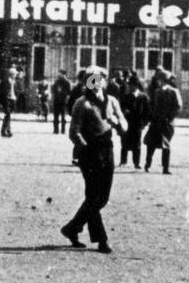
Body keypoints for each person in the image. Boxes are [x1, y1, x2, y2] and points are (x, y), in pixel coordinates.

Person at [61, 67, 126, 253]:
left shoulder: (112, 101)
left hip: (107, 150)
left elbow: (125, 127)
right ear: (86, 82)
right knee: (93, 197)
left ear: (104, 81)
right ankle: (102, 240)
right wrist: (85, 147)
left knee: (102, 198)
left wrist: (116, 122)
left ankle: (72, 228)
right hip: (89, 153)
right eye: (91, 79)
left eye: (99, 79)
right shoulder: (82, 103)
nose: (96, 83)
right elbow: (74, 131)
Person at [143, 70, 182, 174]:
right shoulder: (157, 92)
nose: (158, 82)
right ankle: (148, 163)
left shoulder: (173, 91)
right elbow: (151, 106)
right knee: (151, 144)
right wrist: (151, 117)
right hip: (156, 122)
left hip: (167, 123)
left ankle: (165, 168)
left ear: (164, 80)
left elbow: (178, 107)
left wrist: (170, 118)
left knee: (165, 145)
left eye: (160, 80)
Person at [117, 75, 148, 168]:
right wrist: (124, 112)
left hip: (138, 124)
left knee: (137, 144)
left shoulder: (143, 97)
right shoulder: (126, 96)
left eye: (133, 85)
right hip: (127, 123)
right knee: (124, 142)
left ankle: (136, 162)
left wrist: (144, 123)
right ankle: (123, 161)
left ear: (137, 86)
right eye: (130, 85)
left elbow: (147, 111)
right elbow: (120, 108)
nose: (131, 87)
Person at [50, 69, 72, 135]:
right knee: (55, 116)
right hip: (56, 101)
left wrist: (66, 100)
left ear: (63, 74)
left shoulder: (67, 82)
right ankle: (56, 129)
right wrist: (52, 99)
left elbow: (69, 93)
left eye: (60, 73)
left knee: (63, 116)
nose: (58, 75)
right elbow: (53, 91)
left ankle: (63, 130)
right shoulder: (56, 82)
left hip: (63, 101)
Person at [0, 66, 17, 137]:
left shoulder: (14, 82)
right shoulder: (5, 82)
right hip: (6, 100)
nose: (15, 76)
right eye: (14, 74)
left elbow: (16, 91)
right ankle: (5, 130)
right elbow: (0, 93)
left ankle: (6, 130)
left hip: (13, 99)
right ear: (11, 74)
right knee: (8, 114)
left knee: (8, 115)